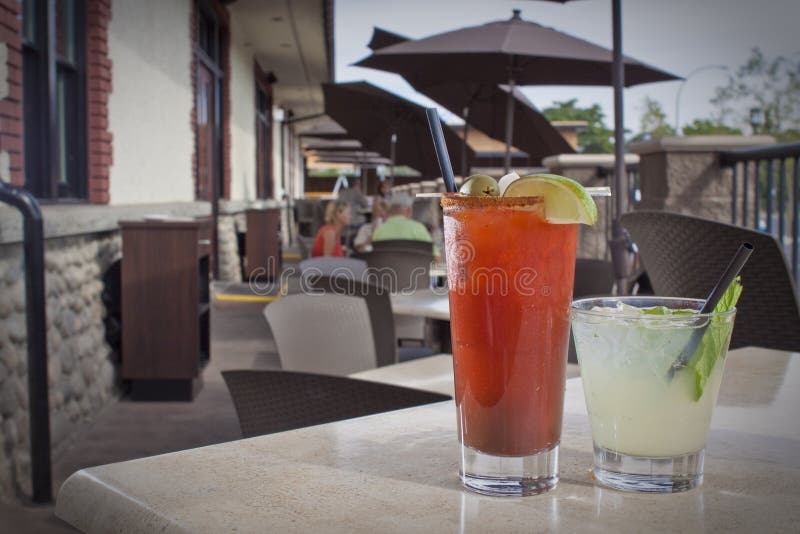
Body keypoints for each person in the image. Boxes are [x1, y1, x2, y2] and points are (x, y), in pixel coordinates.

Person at [372, 192, 440, 259]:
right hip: (417, 269)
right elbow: (437, 258)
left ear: (391, 210)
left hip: (386, 270)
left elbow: (375, 258)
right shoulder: (418, 229)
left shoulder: (379, 231)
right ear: (409, 210)